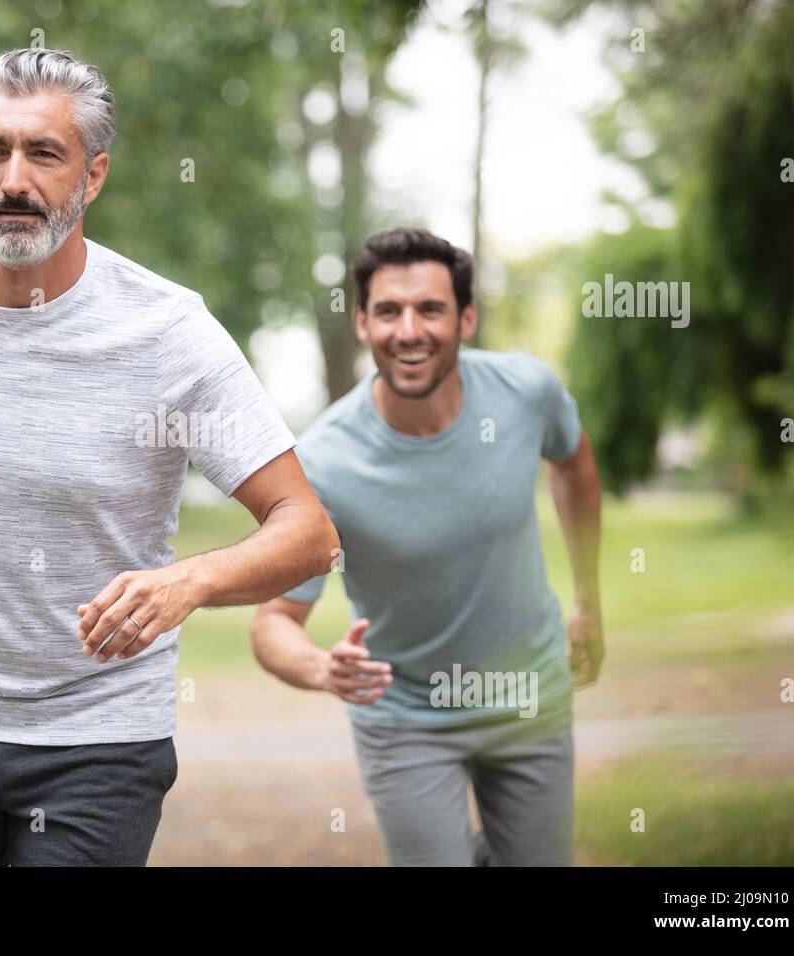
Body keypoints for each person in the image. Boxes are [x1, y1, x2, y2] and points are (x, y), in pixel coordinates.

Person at [0, 48, 338, 867]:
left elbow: (307, 530)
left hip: (100, 742)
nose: (14, 180)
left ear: (91, 176)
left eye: (44, 154)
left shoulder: (170, 333)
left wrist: (190, 581)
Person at [250, 227, 604, 866]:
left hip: (528, 697)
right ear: (362, 322)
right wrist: (322, 669)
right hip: (407, 717)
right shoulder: (325, 462)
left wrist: (588, 598)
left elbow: (574, 463)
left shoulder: (526, 392)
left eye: (431, 309)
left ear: (466, 317)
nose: (408, 330)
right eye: (388, 310)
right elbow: (274, 623)